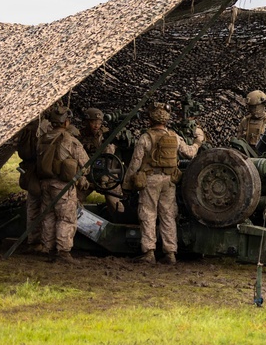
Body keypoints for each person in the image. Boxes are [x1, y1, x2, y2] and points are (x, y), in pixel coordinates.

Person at [124, 102, 204, 264]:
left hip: (150, 181)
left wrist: (127, 185)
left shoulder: (145, 138)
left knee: (148, 214)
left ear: (150, 119)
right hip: (169, 181)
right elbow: (190, 153)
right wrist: (198, 142)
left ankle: (149, 252)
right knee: (168, 215)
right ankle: (170, 253)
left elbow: (135, 164)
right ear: (166, 120)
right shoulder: (174, 136)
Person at [36, 104, 89, 263]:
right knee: (66, 218)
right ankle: (63, 251)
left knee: (48, 215)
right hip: (62, 185)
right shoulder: (70, 140)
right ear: (66, 122)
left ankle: (46, 247)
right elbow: (86, 164)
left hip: (45, 183)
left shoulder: (43, 138)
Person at [75, 107, 123, 213]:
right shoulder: (78, 137)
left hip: (107, 173)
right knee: (73, 200)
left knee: (116, 206)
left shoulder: (106, 135)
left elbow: (111, 156)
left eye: (99, 122)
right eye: (93, 122)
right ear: (86, 122)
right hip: (87, 174)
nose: (96, 125)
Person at [16, 115, 51, 253]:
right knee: (46, 207)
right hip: (39, 172)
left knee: (32, 207)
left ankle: (33, 240)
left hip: (30, 172)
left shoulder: (26, 128)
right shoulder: (43, 128)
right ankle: (43, 243)